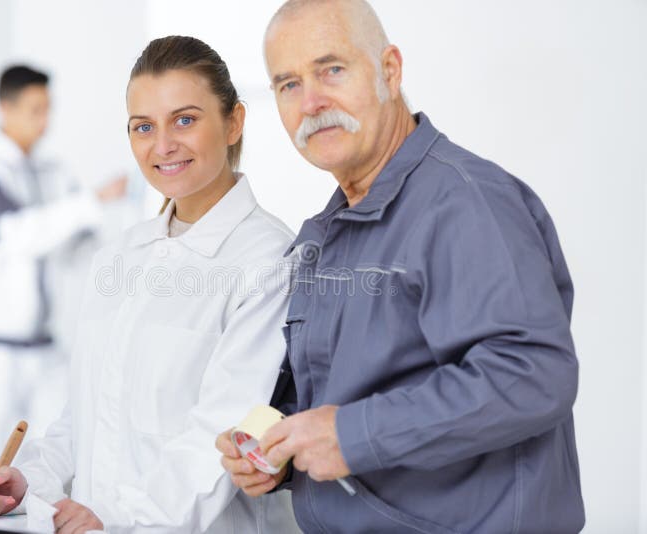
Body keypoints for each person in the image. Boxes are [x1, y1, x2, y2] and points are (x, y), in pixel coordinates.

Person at [216, 1, 585, 532]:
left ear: (389, 70)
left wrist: (352, 435)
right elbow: (345, 394)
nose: (311, 102)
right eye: (288, 84)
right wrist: (279, 447)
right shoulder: (332, 229)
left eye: (331, 69)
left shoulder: (464, 203)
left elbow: (532, 374)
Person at [0, 37, 300, 533]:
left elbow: (221, 435)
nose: (162, 145)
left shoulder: (268, 259)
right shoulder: (121, 256)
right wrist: (29, 482)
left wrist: (115, 518)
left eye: (184, 120)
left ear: (234, 122)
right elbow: (82, 417)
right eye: (144, 126)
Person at [0, 64, 128, 464]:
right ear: (5, 109)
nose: (44, 120)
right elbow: (17, 234)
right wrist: (92, 201)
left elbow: (77, 244)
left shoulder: (53, 173)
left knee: (49, 456)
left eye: (47, 108)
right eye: (34, 110)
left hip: (42, 345)